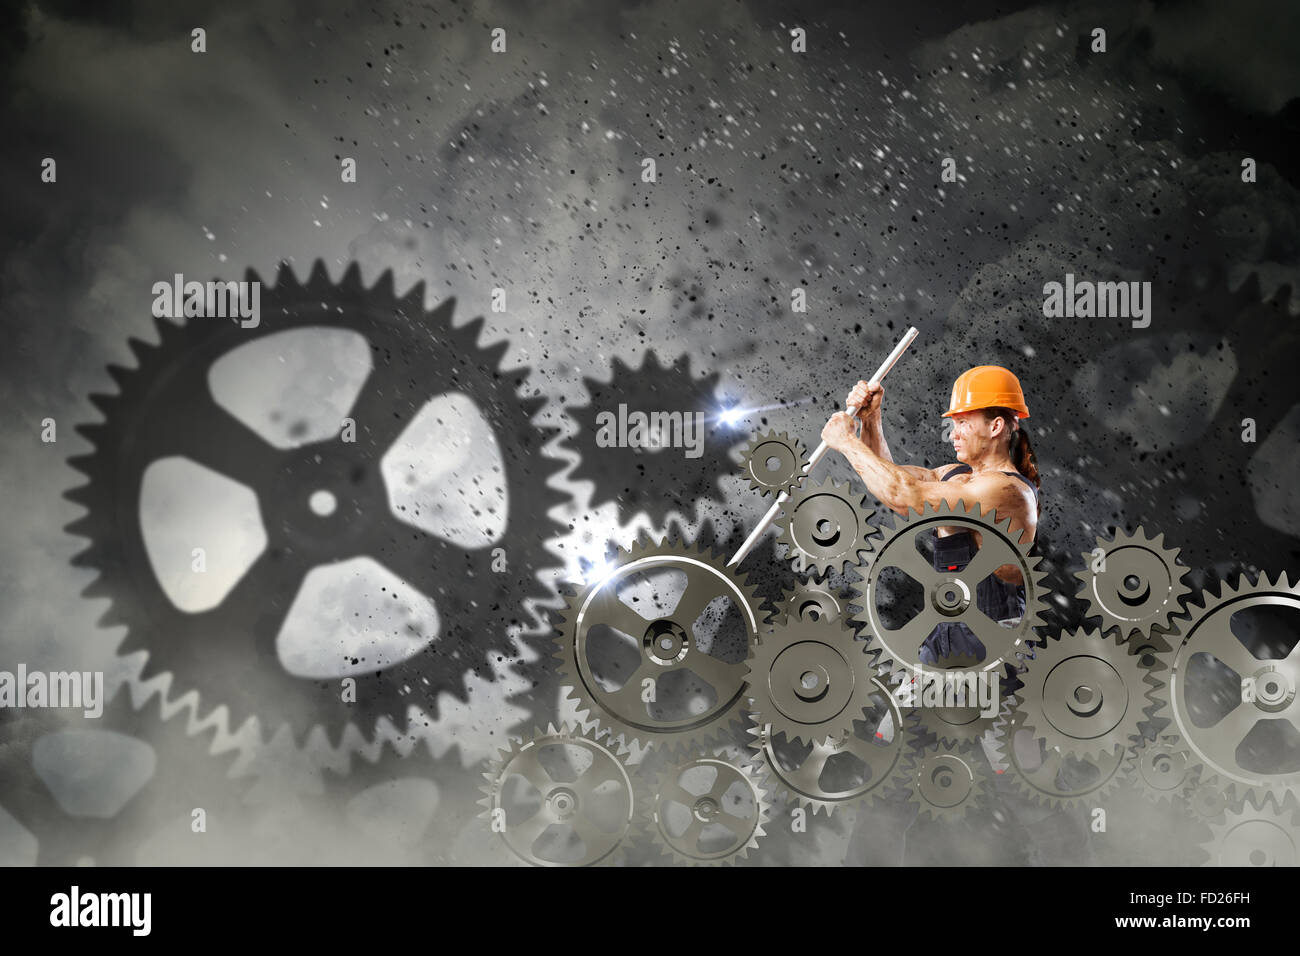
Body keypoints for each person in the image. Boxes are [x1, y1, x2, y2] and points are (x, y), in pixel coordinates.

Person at [820, 365, 1041, 667]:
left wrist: (847, 442)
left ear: (995, 427)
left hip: (992, 644)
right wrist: (870, 419)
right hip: (945, 634)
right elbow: (889, 478)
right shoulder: (954, 475)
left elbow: (903, 495)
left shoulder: (1005, 490)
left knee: (978, 714)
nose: (954, 434)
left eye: (962, 422)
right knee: (906, 714)